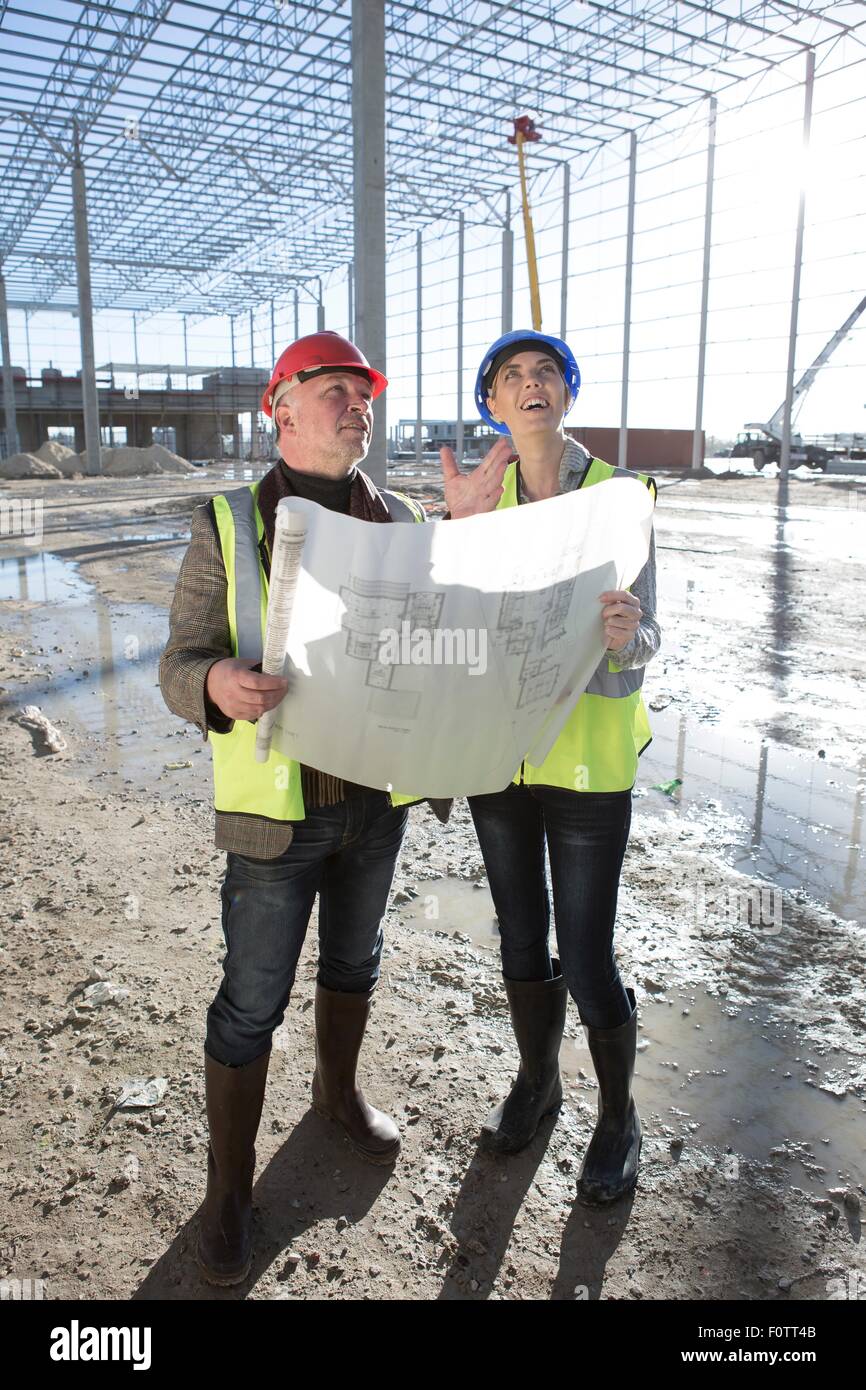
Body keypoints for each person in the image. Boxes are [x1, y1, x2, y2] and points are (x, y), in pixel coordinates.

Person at [159, 332, 430, 1286]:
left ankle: (337, 1094)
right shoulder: (230, 520)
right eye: (336, 391)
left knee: (355, 961)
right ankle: (229, 1189)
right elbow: (179, 660)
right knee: (251, 1001)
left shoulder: (399, 518)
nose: (359, 405)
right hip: (277, 818)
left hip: (373, 805)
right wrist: (215, 684)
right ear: (281, 406)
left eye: (365, 395)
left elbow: (437, 646)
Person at [440, 329, 660, 1205]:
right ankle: (538, 1084)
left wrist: (624, 637)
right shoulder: (477, 506)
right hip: (502, 761)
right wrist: (453, 533)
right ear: (491, 403)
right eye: (509, 378)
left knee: (588, 953)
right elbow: (444, 637)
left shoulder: (619, 497)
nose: (528, 386)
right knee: (522, 942)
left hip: (587, 772)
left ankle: (617, 1118)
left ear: (567, 394)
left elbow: (647, 638)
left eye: (544, 374)